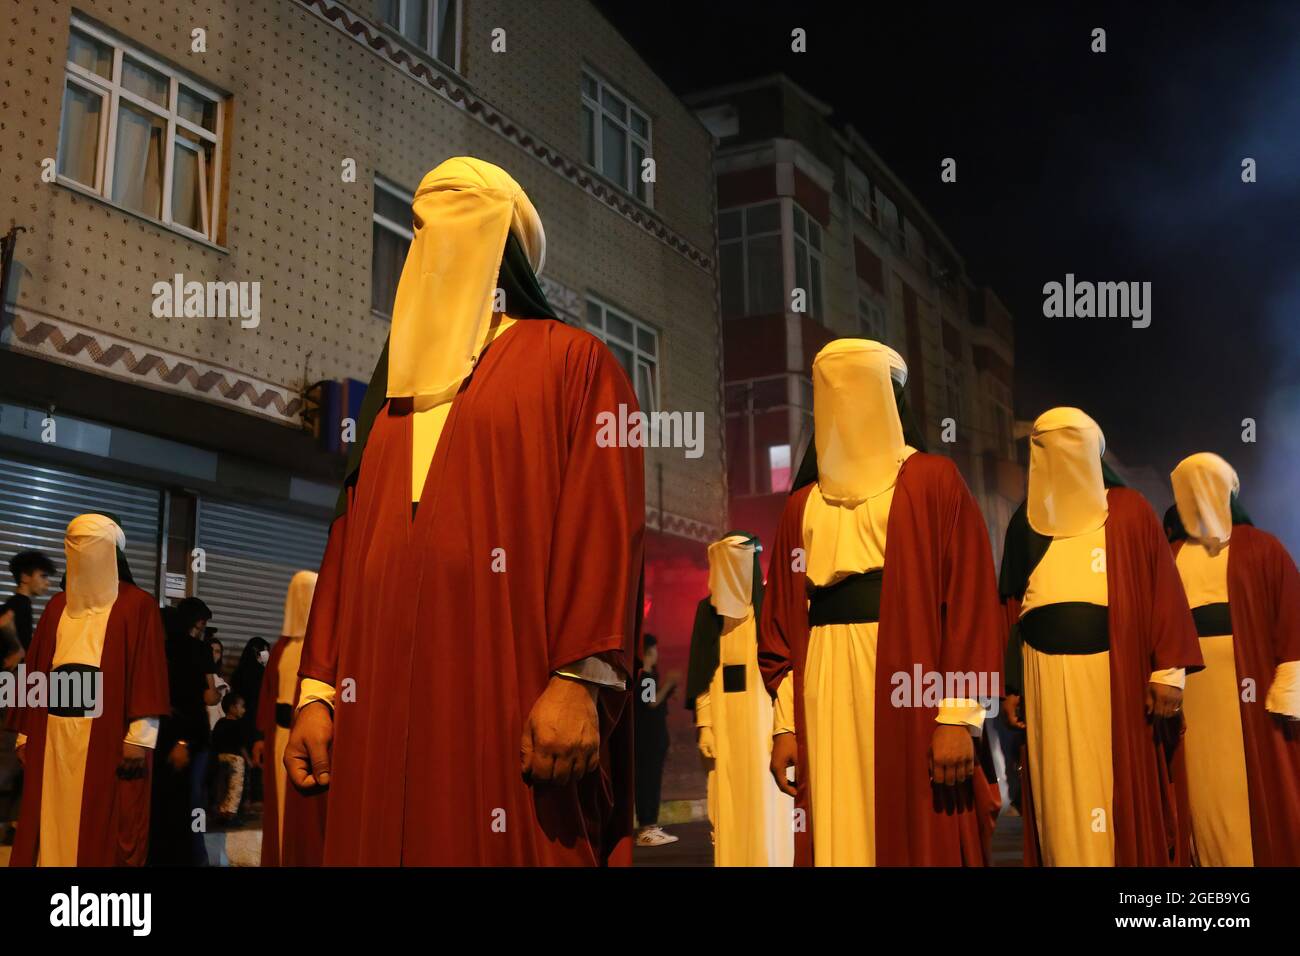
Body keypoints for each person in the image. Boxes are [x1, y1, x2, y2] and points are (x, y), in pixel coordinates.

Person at [284, 157, 644, 865]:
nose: (431, 246)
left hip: (506, 686)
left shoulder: (573, 362)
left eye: (457, 226)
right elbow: (346, 547)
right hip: (378, 696)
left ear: (503, 249)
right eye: (419, 230)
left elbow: (605, 529)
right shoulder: (390, 404)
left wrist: (579, 680)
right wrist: (319, 688)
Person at [759, 339, 1004, 866]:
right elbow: (780, 625)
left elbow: (969, 603)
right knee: (837, 827)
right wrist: (785, 726)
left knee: (913, 826)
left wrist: (958, 718)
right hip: (824, 683)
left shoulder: (932, 481)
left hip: (912, 685)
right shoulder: (802, 505)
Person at [999, 408, 1203, 866]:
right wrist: (1012, 682)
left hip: (1113, 673)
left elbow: (1161, 590)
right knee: (1055, 792)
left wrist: (1169, 670)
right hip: (1043, 675)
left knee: (1114, 788)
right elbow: (1012, 607)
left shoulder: (1127, 510)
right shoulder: (1024, 522)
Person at [7, 514, 168, 866]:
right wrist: (24, 733)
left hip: (106, 735)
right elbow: (37, 669)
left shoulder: (137, 605)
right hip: (54, 735)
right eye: (73, 544)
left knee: (102, 825)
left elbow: (147, 671)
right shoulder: (56, 607)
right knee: (51, 818)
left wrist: (140, 736)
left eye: (90, 545)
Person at [1168, 452, 1300, 866]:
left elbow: (1292, 617)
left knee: (1252, 788)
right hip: (1192, 696)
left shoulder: (1261, 547)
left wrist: (1289, 684)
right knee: (1202, 792)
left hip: (1250, 693)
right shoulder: (1167, 553)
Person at [687, 532, 793, 866]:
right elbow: (703, 675)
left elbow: (785, 673)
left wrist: (785, 725)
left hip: (763, 719)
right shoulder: (709, 615)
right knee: (727, 796)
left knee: (766, 799)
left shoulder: (771, 609)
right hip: (725, 721)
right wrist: (705, 725)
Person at [259, 570, 324, 866]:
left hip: (308, 738)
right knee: (280, 809)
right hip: (279, 736)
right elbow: (268, 695)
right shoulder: (281, 649)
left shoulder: (322, 651)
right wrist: (261, 736)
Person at [149, 596, 216, 866]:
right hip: (190, 737)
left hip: (169, 736)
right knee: (192, 801)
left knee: (171, 802)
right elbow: (208, 697)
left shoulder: (166, 650)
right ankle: (196, 858)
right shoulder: (197, 651)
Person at [634, 634, 677, 847]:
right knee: (647, 783)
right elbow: (650, 702)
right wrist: (668, 684)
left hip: (655, 739)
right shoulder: (645, 676)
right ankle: (647, 827)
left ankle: (649, 825)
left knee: (651, 782)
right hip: (647, 741)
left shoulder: (650, 676)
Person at [0, 550, 57, 663]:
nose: (48, 583)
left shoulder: (12, 603)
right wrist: (18, 649)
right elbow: (4, 622)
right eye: (43, 576)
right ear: (25, 577)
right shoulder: (22, 603)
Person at [211, 693, 248, 823]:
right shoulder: (238, 725)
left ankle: (219, 811)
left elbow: (214, 741)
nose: (244, 709)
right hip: (235, 759)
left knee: (221, 786)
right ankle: (230, 813)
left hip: (220, 758)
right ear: (232, 708)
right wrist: (248, 760)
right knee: (235, 786)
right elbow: (241, 745)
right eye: (241, 706)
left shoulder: (220, 723)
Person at [204, 631, 229, 729]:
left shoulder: (219, 678)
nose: (213, 654)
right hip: (206, 724)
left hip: (218, 725)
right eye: (211, 650)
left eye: (218, 651)